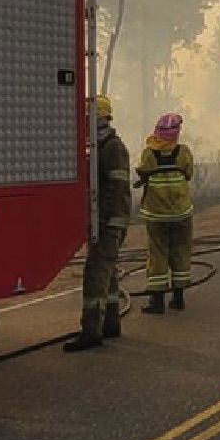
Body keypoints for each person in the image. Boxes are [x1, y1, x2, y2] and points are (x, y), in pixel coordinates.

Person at [64, 95, 131, 353]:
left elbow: (116, 188)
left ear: (98, 118)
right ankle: (110, 323)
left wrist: (102, 218)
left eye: (86, 117)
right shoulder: (99, 146)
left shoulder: (112, 148)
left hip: (109, 220)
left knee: (95, 273)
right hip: (105, 220)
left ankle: (91, 331)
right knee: (108, 272)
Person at [135, 113, 195, 314]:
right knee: (181, 251)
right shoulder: (183, 152)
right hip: (181, 213)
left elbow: (143, 170)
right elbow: (188, 174)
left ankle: (157, 301)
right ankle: (178, 299)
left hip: (156, 214)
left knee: (157, 253)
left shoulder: (149, 153)